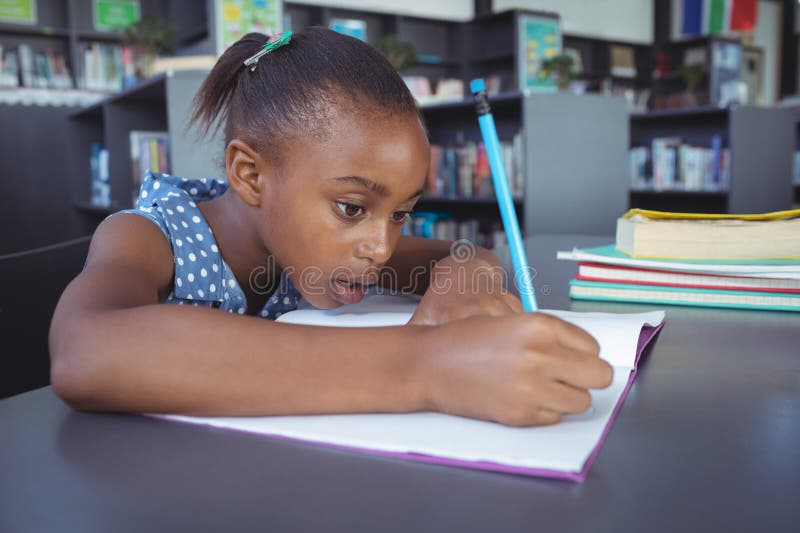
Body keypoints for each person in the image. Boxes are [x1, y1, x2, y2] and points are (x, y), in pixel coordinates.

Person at [49, 27, 611, 427]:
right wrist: (428, 366)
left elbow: (461, 255)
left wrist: (465, 282)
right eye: (352, 207)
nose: (381, 244)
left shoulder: (316, 248)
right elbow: (85, 351)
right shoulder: (148, 237)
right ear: (250, 175)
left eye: (400, 213)